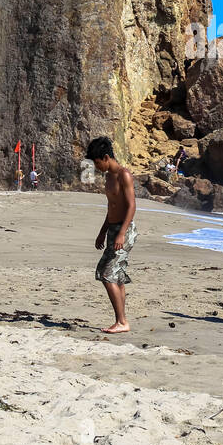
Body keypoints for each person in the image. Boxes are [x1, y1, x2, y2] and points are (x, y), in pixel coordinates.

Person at [89, 137, 136, 333]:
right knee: (116, 276)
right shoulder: (108, 177)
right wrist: (102, 232)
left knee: (106, 273)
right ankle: (121, 321)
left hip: (125, 231)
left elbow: (131, 206)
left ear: (106, 157)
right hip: (113, 229)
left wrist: (121, 234)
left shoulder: (124, 175)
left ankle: (122, 322)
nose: (96, 167)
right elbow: (112, 207)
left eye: (97, 162)